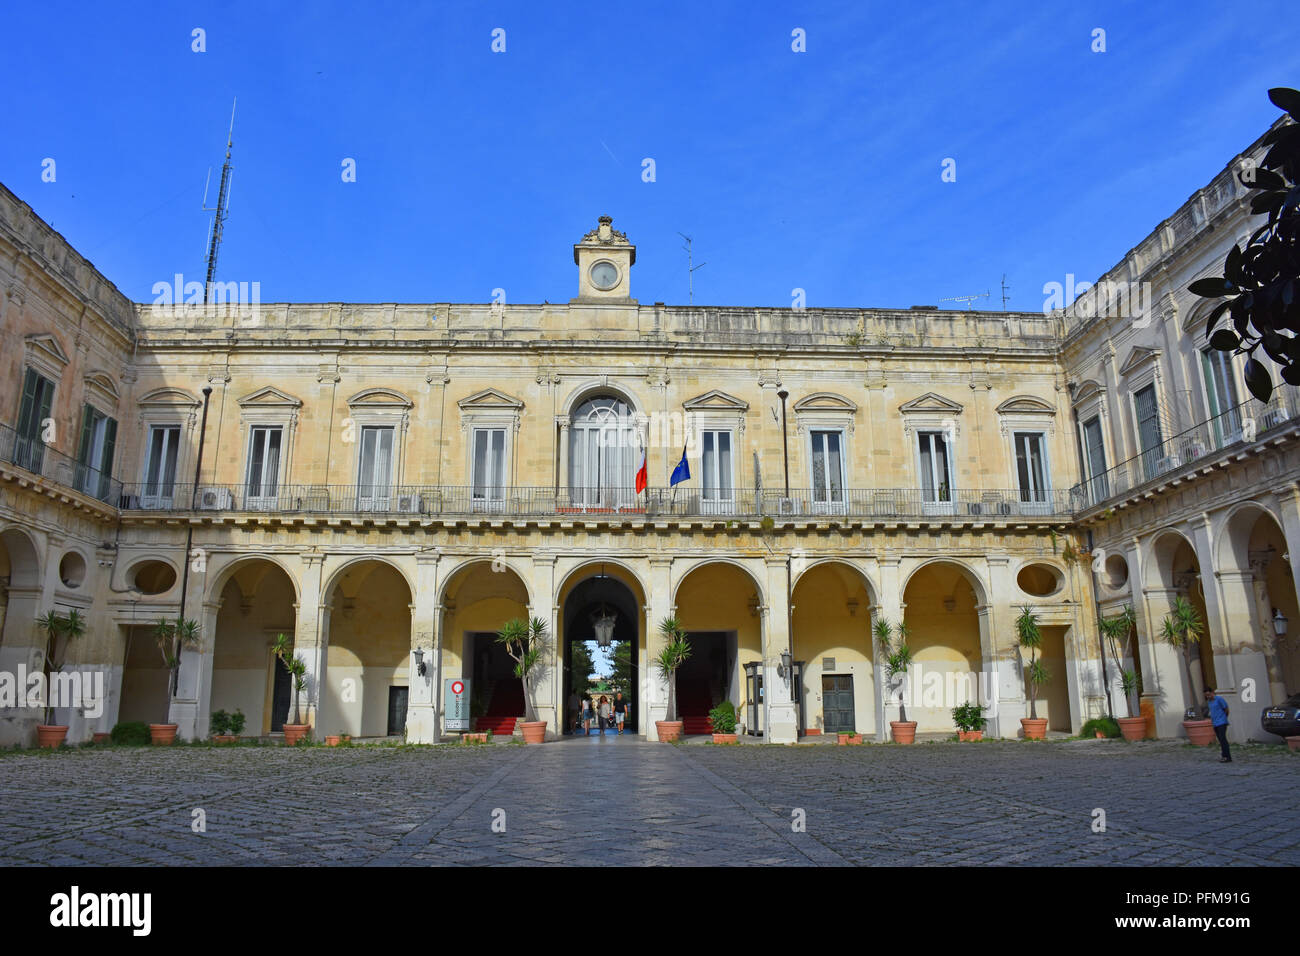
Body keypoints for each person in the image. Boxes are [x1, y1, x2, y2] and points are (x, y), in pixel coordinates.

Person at [1205, 687, 1231, 762]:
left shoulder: (1219, 699)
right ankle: (1224, 755)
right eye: (1206, 695)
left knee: (1223, 739)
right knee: (1220, 740)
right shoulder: (1209, 702)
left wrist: (1224, 718)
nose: (1208, 696)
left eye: (1209, 695)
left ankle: (1227, 756)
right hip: (1215, 723)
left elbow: (1226, 709)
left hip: (1222, 722)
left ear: (1212, 692)